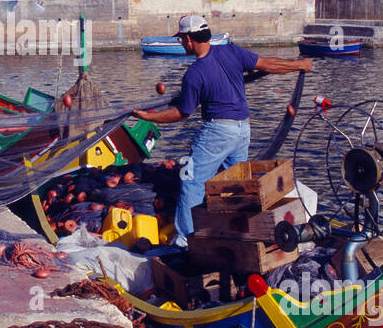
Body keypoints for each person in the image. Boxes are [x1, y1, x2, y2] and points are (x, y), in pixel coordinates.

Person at [133, 14, 310, 247]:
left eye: (180, 40)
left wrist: (149, 117)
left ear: (188, 40)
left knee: (190, 179)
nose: (180, 44)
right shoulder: (231, 51)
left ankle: (186, 239)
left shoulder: (194, 73)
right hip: (243, 130)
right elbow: (268, 64)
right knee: (235, 184)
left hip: (217, 131)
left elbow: (182, 113)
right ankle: (239, 232)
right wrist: (299, 65)